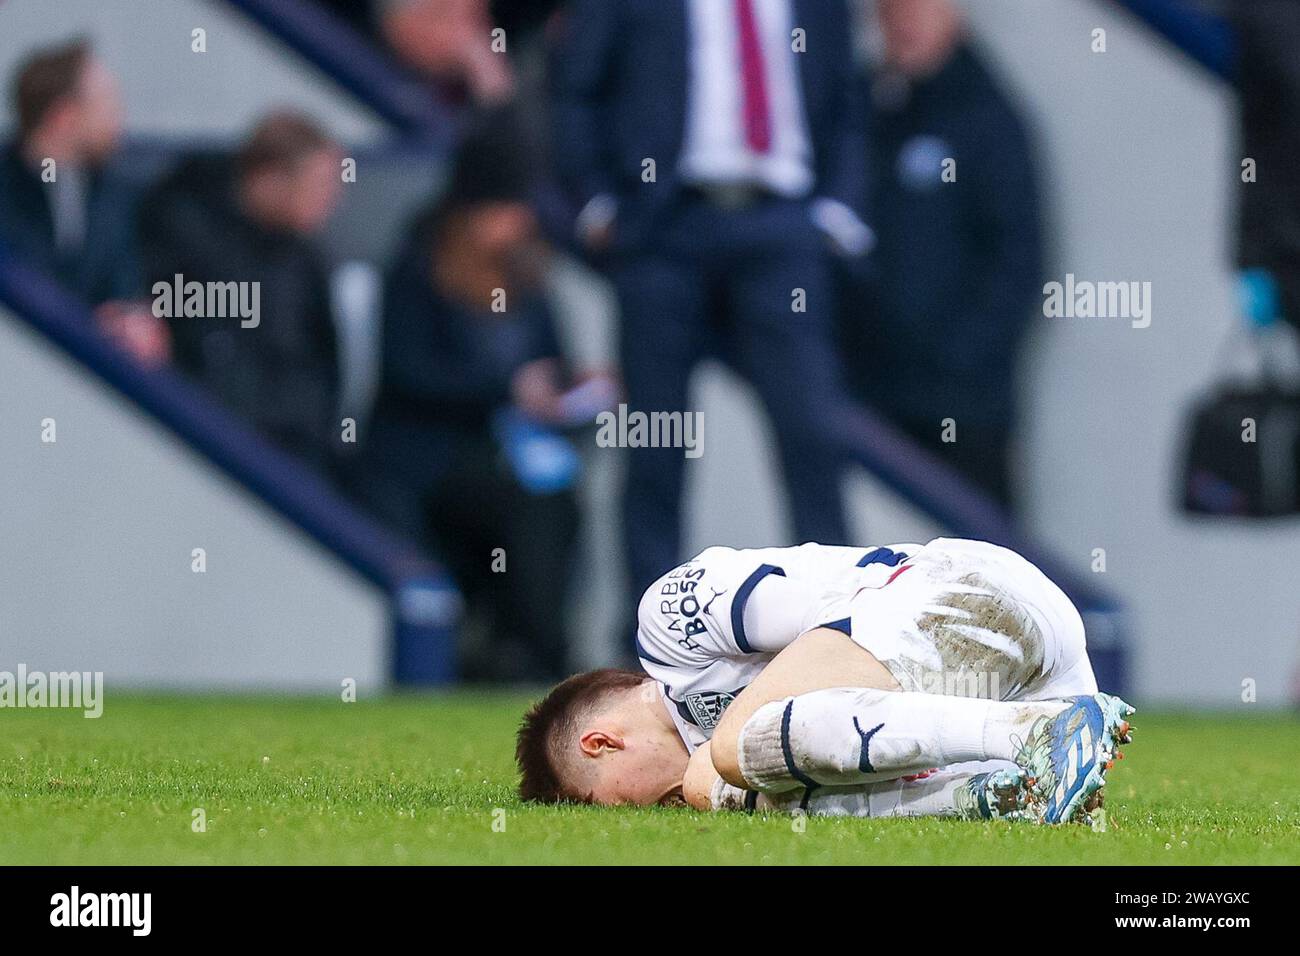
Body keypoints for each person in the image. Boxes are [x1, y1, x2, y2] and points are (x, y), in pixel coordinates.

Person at [550, 0, 873, 601]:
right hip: (664, 228)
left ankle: (837, 630)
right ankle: (651, 649)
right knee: (656, 444)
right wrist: (599, 206)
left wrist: (836, 212)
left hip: (783, 227)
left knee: (811, 433)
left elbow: (845, 99)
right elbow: (575, 89)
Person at [516, 537, 1135, 823]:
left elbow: (845, 607)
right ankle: (1004, 792)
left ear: (600, 742)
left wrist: (724, 753)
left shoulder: (668, 627)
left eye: (616, 804)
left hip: (966, 589)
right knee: (739, 781)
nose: (651, 813)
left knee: (725, 762)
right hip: (1036, 673)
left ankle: (1032, 734)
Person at [357, 118, 590, 682]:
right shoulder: (417, 273)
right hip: (433, 460)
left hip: (515, 458)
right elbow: (405, 374)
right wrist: (505, 391)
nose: (518, 223)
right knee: (527, 508)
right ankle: (534, 657)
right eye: (505, 209)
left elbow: (553, 366)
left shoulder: (530, 279)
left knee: (554, 504)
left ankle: (537, 653)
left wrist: (572, 394)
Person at [840, 0, 1042, 508]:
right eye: (888, 9)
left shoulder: (987, 116)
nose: (902, 21)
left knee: (975, 573)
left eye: (916, 7)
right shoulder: (860, 111)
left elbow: (1018, 257)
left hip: (963, 409)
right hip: (871, 400)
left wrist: (959, 362)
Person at [137, 112, 344, 473]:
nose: (331, 199)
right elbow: (199, 358)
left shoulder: (306, 259)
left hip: (295, 449)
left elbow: (323, 365)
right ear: (270, 179)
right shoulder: (182, 231)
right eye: (320, 184)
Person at [0, 38, 167, 365]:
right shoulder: (6, 190)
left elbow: (125, 289)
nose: (119, 116)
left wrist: (136, 324)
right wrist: (92, 324)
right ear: (64, 116)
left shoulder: (113, 195)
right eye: (107, 102)